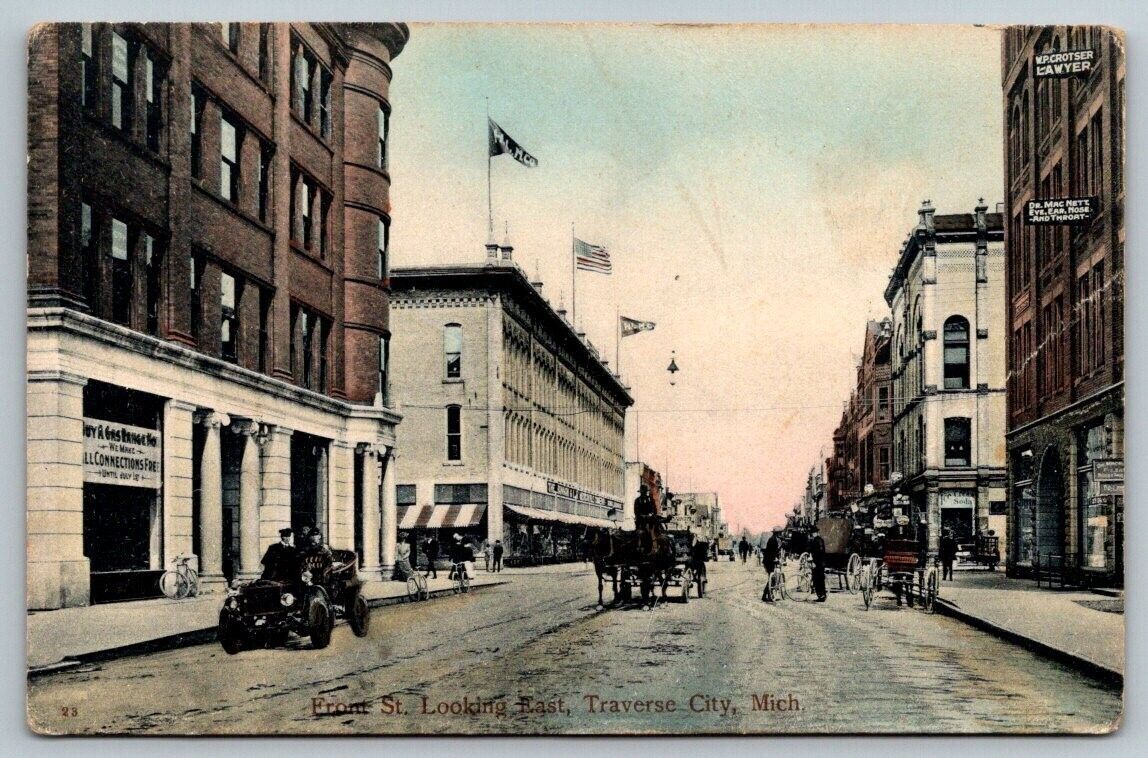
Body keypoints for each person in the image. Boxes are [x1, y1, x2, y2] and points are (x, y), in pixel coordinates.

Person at [809, 525, 827, 602]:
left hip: (818, 563)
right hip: (820, 562)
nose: (812, 534)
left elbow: (819, 552)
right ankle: (821, 595)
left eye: (813, 533)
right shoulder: (819, 540)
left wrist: (814, 562)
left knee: (818, 579)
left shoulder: (817, 540)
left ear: (815, 533)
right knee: (819, 579)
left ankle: (821, 595)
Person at [761, 532, 781, 602]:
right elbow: (772, 552)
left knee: (771, 578)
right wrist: (775, 559)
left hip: (769, 561)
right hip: (769, 561)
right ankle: (767, 595)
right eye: (780, 533)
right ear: (777, 533)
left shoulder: (773, 539)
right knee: (771, 578)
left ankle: (767, 595)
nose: (780, 534)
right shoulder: (773, 540)